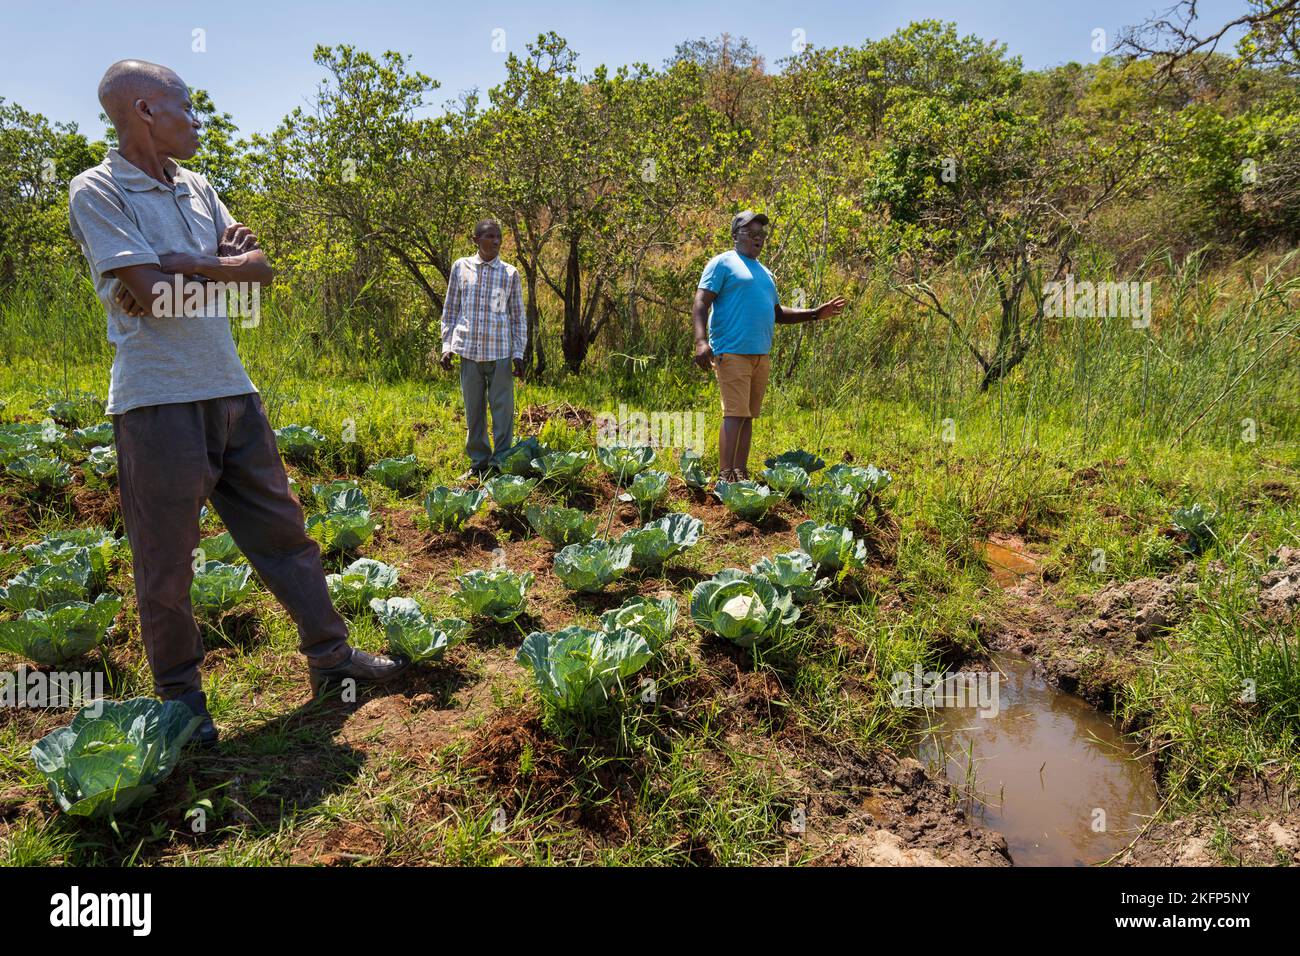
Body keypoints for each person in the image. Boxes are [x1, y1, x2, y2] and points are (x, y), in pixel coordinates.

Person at [67, 60, 406, 747]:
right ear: (142, 109)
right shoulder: (97, 189)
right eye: (185, 106)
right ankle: (182, 702)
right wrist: (208, 276)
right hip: (158, 402)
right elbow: (155, 300)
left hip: (233, 392)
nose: (197, 119)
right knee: (166, 562)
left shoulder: (198, 187)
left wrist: (185, 264)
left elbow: (259, 274)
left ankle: (331, 656)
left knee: (285, 534)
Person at [692, 211, 847, 482]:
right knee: (734, 413)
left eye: (762, 234)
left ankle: (740, 472)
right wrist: (701, 341)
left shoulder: (765, 273)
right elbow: (701, 301)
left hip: (760, 355)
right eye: (751, 233)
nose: (758, 239)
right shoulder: (722, 263)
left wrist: (814, 313)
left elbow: (777, 313)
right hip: (731, 350)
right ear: (735, 235)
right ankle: (725, 475)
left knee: (747, 416)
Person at [439, 219, 527, 480]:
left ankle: (501, 465)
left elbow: (517, 317)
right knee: (473, 410)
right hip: (469, 352)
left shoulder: (509, 273)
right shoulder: (461, 268)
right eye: (489, 236)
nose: (496, 241)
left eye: (498, 236)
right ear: (475, 240)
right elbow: (451, 311)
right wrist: (447, 346)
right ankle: (478, 464)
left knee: (503, 412)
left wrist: (518, 353)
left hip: (499, 352)